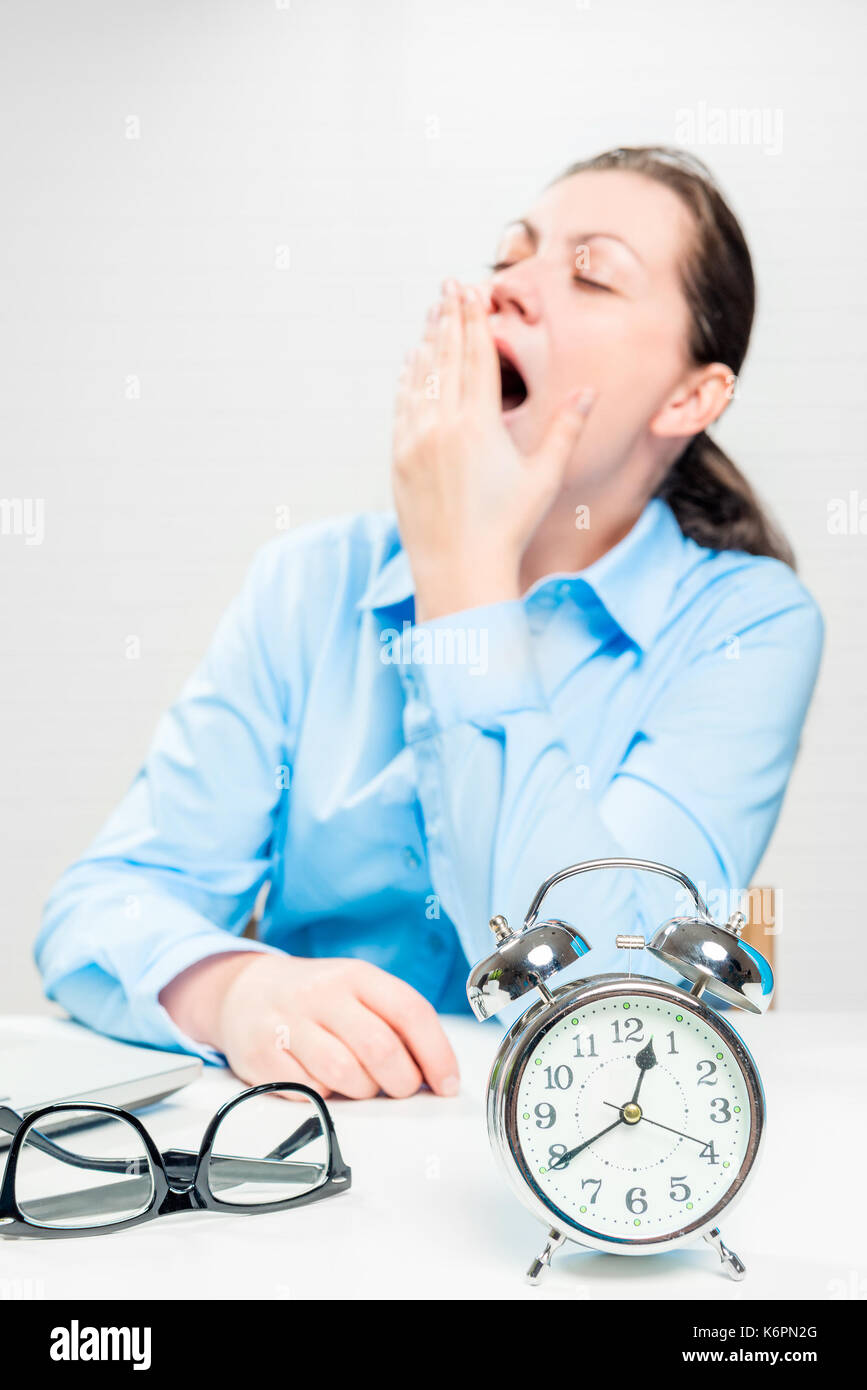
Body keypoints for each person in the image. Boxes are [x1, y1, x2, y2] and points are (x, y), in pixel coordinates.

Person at [37, 146, 823, 1103]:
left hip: (564, 1166)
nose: (507, 290)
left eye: (589, 272)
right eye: (507, 258)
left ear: (688, 398)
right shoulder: (310, 585)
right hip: (298, 1165)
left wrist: (463, 580)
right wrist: (233, 991)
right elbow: (94, 913)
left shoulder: (746, 627)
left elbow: (613, 998)